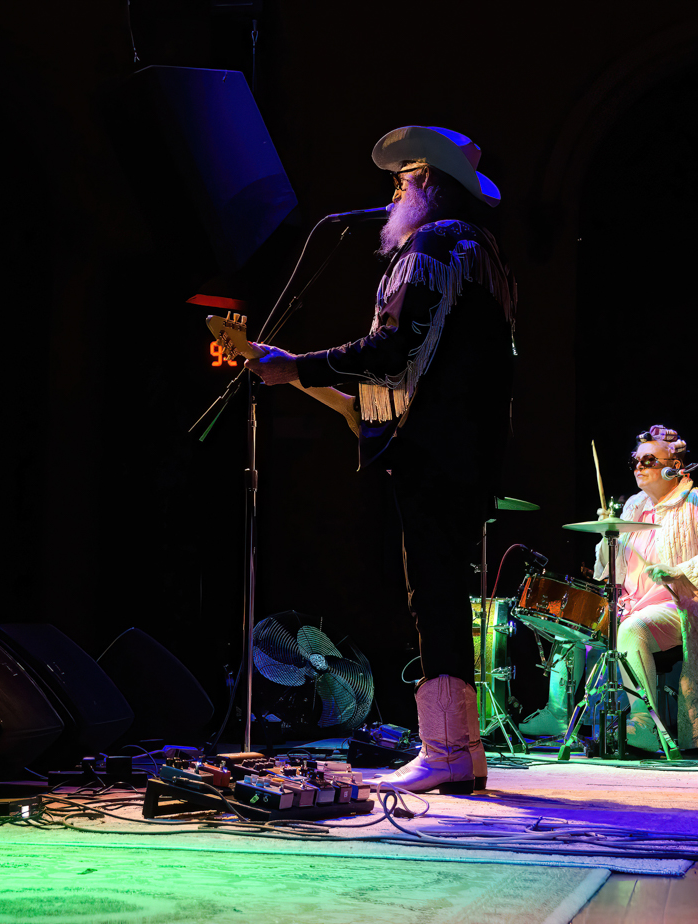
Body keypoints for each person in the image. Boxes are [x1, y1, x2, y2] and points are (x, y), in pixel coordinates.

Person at [245, 126, 517, 792]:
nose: (393, 192)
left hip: (428, 446)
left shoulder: (428, 247)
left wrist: (297, 366)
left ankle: (447, 749)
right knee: (446, 590)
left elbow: (390, 350)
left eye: (402, 180)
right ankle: (461, 749)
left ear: (424, 180)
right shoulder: (484, 252)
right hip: (470, 446)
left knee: (434, 593)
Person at [595, 425, 698, 751]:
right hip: (635, 602)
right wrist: (607, 535)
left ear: (674, 467)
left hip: (684, 606)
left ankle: (645, 724)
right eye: (635, 460)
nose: (638, 466)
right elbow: (612, 565)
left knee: (632, 630)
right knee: (580, 629)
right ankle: (564, 718)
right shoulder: (633, 506)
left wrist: (677, 571)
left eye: (648, 460)